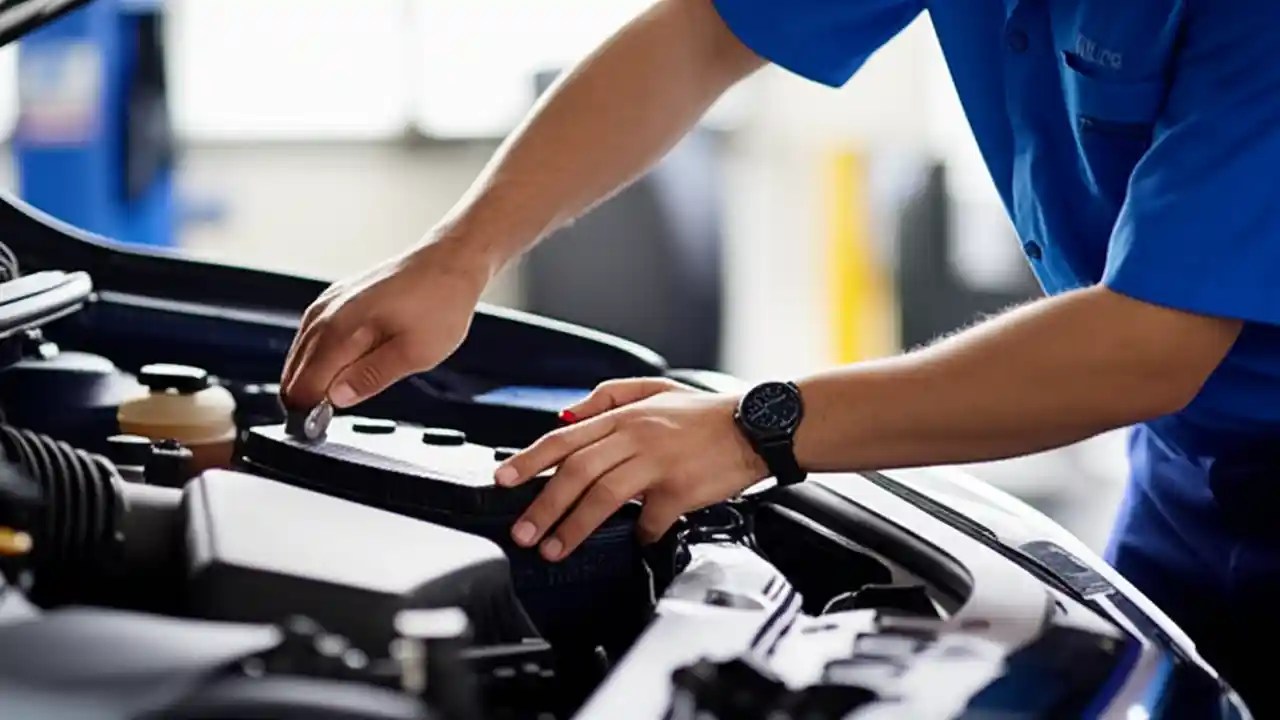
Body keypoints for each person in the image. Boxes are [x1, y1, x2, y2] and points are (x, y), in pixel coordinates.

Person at [281, 0, 1280, 710]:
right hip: (1182, 490)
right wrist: (460, 254)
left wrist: (754, 428)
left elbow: (1146, 345)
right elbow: (702, 31)